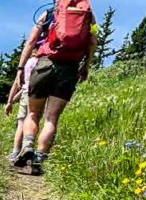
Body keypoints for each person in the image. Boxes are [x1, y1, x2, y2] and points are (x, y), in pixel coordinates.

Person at [13, 0, 97, 175]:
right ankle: (39, 158)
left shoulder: (49, 13)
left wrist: (21, 69)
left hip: (45, 63)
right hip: (70, 68)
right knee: (51, 118)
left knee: (33, 113)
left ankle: (27, 144)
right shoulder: (89, 17)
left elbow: (31, 42)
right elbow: (92, 42)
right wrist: (86, 66)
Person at [5, 54, 41, 164]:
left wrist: (10, 101)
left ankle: (16, 152)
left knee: (21, 123)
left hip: (26, 92)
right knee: (33, 120)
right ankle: (29, 148)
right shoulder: (44, 62)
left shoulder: (28, 62)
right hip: (40, 94)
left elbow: (18, 84)